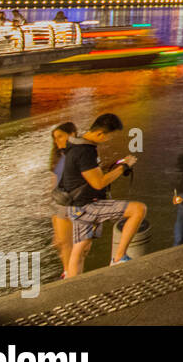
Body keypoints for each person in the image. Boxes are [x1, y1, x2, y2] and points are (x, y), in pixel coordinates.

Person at [57, 113, 144, 278]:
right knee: (138, 209)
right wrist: (123, 168)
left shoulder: (77, 146)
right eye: (109, 137)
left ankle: (71, 283)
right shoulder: (85, 151)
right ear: (99, 134)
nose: (108, 140)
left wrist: (116, 165)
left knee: (81, 247)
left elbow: (88, 173)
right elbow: (98, 183)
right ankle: (118, 258)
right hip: (87, 206)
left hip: (76, 205)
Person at [47, 121, 78, 274]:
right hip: (59, 202)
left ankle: (70, 276)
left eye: (60, 136)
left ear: (72, 135)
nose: (57, 141)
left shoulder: (80, 154)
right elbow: (53, 183)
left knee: (68, 244)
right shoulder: (58, 156)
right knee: (61, 243)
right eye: (55, 138)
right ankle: (69, 273)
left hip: (71, 203)